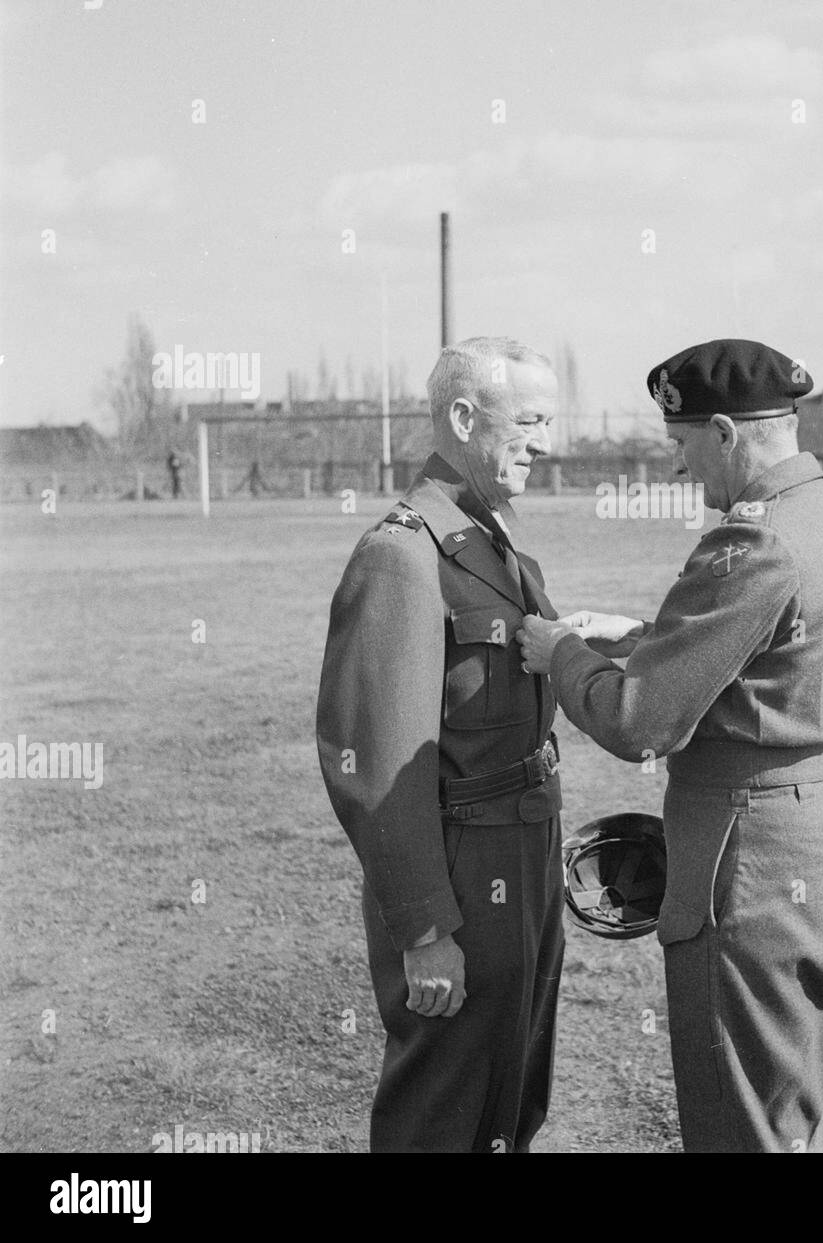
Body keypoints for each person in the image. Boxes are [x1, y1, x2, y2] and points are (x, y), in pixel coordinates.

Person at [519, 339, 823, 1153]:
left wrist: (561, 656)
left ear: (724, 431)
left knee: (741, 1129)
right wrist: (648, 635)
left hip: (754, 865)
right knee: (787, 1116)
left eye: (682, 444)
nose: (682, 468)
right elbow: (778, 656)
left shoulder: (748, 542)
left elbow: (638, 721)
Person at [316, 336, 566, 1153]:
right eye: (527, 420)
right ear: (463, 416)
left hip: (523, 861)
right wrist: (425, 930)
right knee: (443, 1109)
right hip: (461, 877)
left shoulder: (489, 538)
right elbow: (376, 766)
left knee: (510, 1098)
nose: (546, 441)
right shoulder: (402, 555)